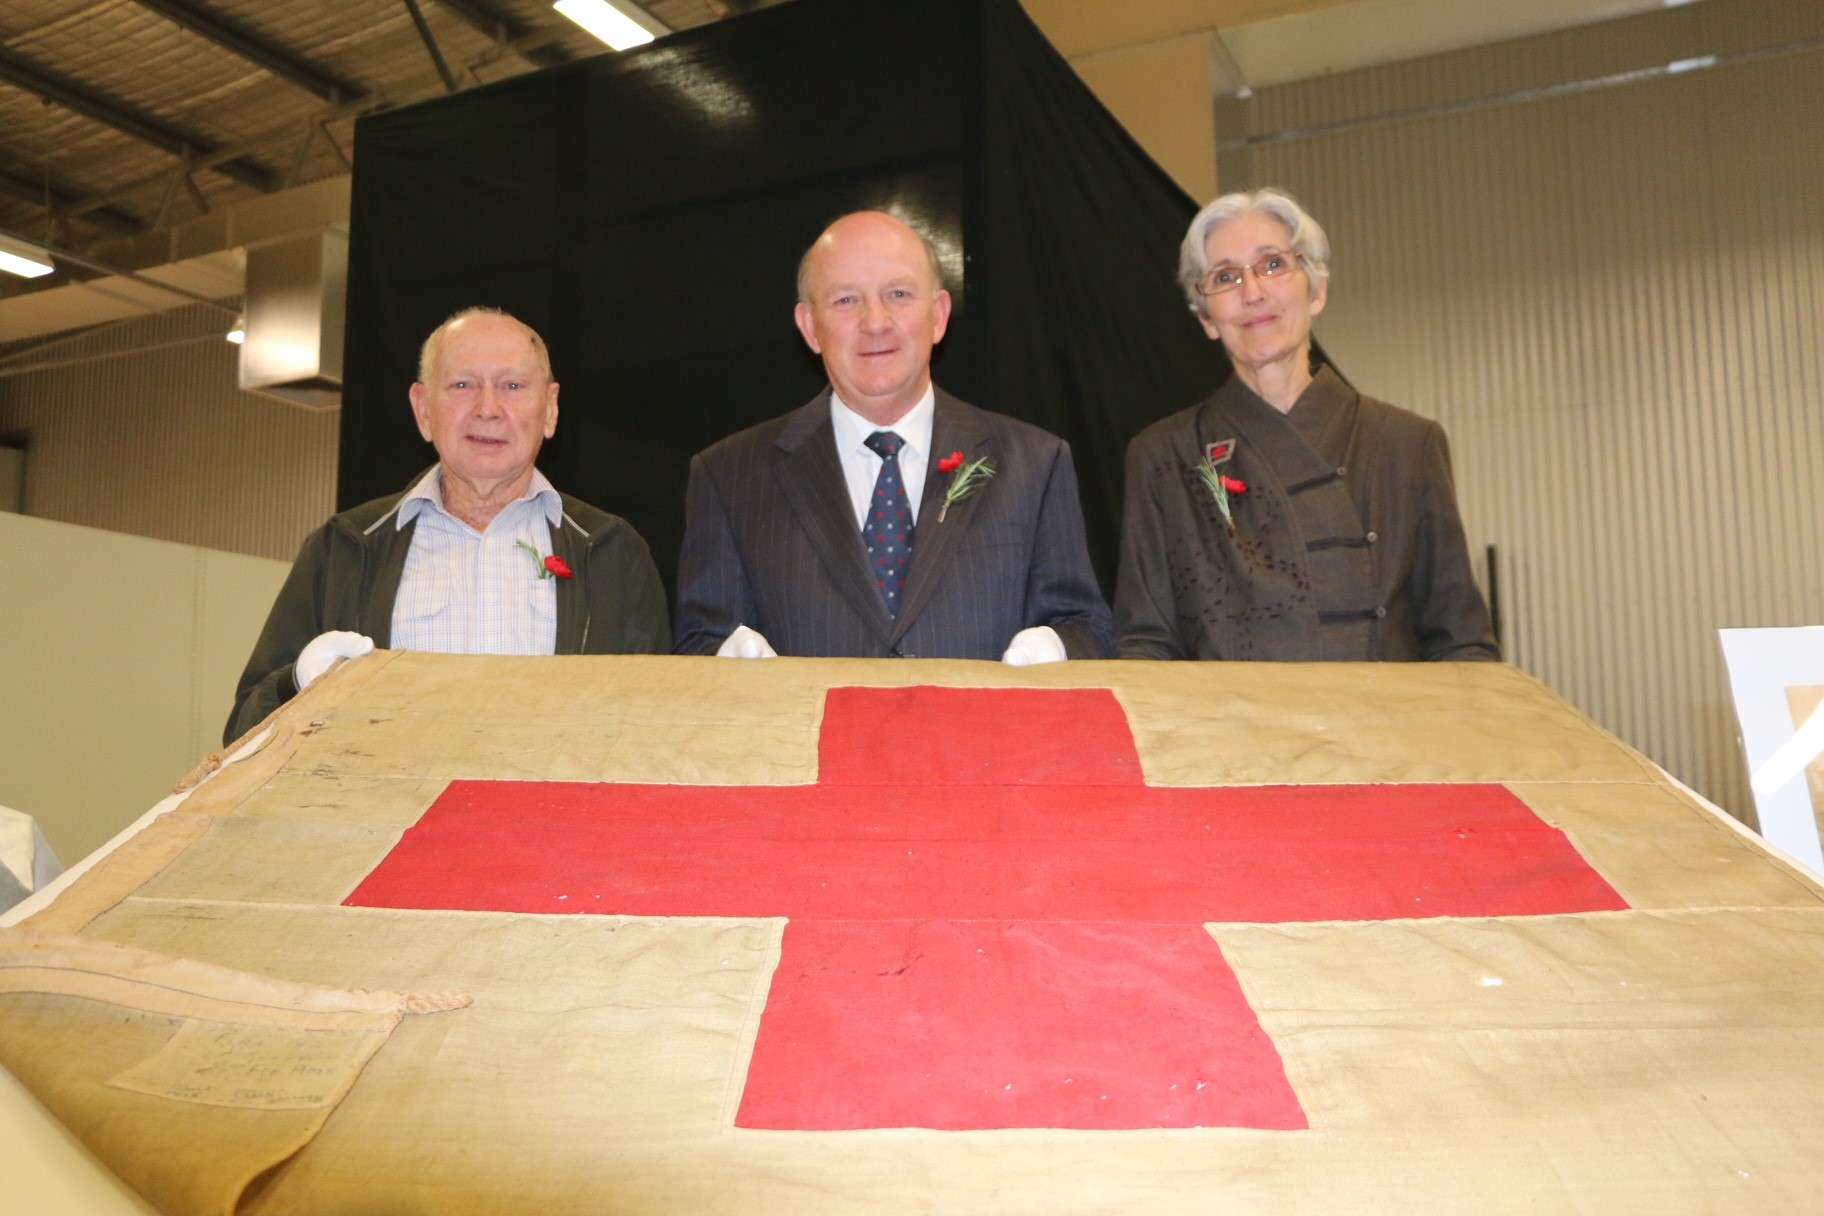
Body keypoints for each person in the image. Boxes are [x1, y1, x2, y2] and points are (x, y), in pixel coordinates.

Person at [673, 210, 1112, 663]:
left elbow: (1086, 628)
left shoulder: (1035, 463)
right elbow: (699, 642)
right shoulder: (728, 476)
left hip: (982, 733)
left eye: (898, 294)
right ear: (809, 327)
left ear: (939, 316)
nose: (876, 321)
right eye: (846, 300)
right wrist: (723, 666)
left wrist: (1058, 649)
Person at [224, 308, 669, 742]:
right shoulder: (345, 549)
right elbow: (244, 731)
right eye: (462, 385)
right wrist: (299, 682)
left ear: (550, 409)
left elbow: (662, 731)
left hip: (555, 817)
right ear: (422, 409)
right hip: (381, 815)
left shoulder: (612, 553)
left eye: (513, 386)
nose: (488, 408)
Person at [1115, 189, 1498, 662]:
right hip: (1229, 734)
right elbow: (1146, 644)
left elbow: (1463, 645)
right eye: (1225, 276)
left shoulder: (1407, 445)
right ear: (1206, 319)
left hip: (1384, 731)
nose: (1252, 292)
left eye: (1273, 265)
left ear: (1316, 290)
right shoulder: (1163, 456)